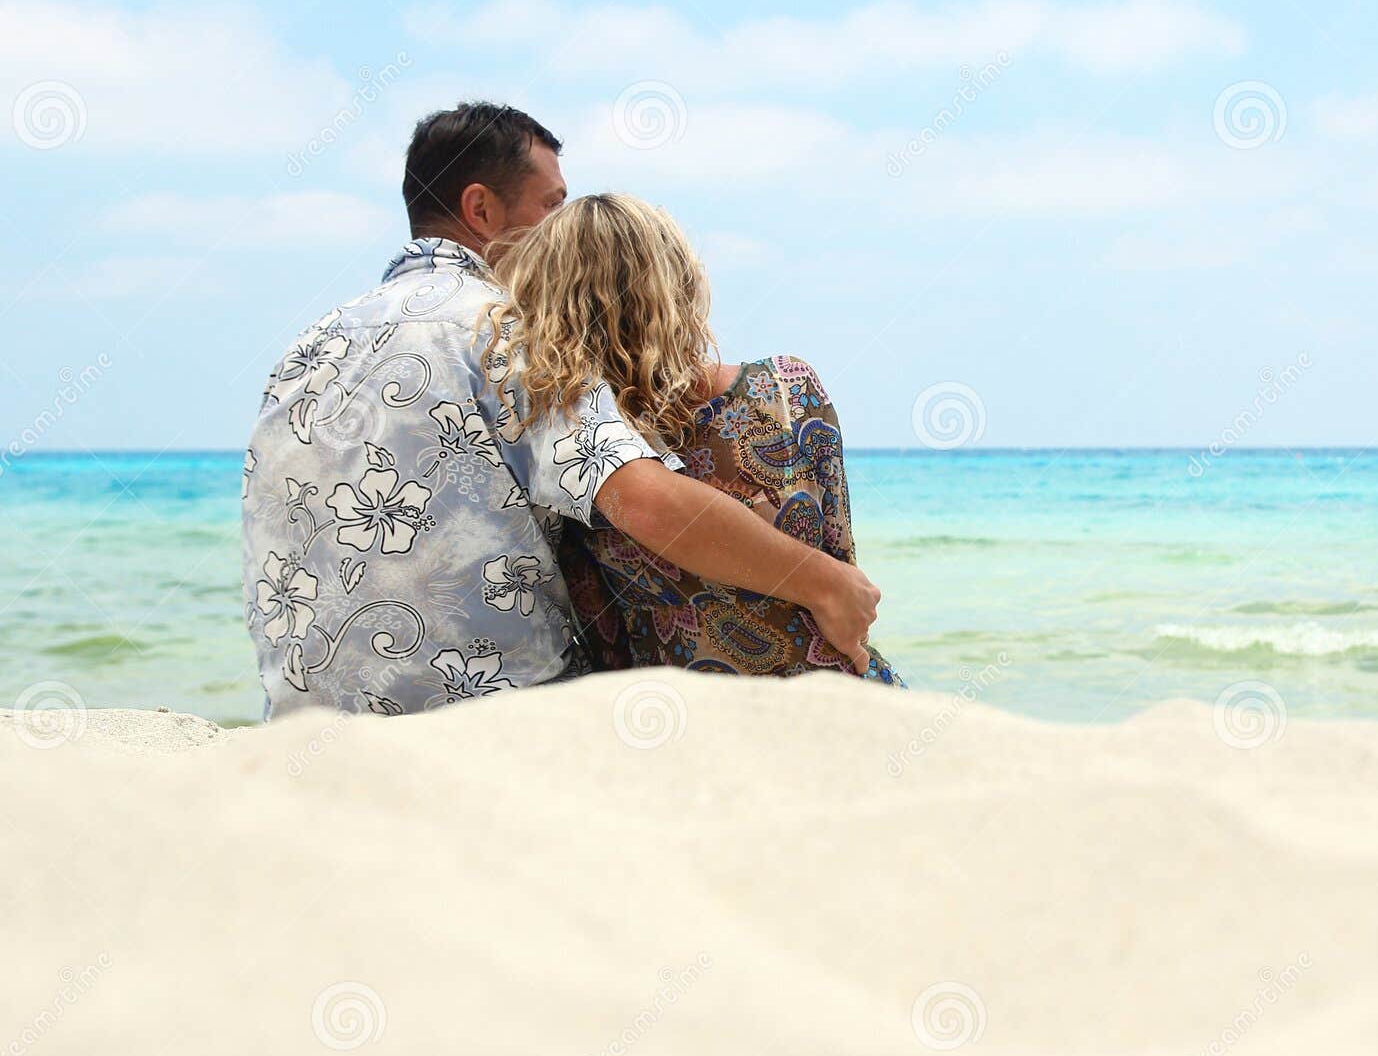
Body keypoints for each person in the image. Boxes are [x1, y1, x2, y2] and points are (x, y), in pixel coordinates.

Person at [242, 104, 880, 716]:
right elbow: (645, 501)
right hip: (474, 715)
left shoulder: (308, 347)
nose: (564, 228)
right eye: (552, 206)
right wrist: (826, 583)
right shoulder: (504, 333)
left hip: (304, 717)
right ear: (480, 209)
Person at [485, 193, 901, 685]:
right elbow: (841, 560)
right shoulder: (784, 388)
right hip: (820, 686)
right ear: (678, 283)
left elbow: (598, 619)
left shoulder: (566, 441)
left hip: (674, 717)